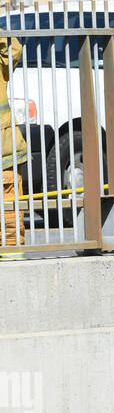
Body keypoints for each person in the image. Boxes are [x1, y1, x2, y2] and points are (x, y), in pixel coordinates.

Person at [0, 33, 26, 255]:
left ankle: (11, 249)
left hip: (5, 149)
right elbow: (12, 49)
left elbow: (12, 49)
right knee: (9, 204)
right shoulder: (2, 64)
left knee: (9, 205)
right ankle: (11, 249)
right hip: (5, 146)